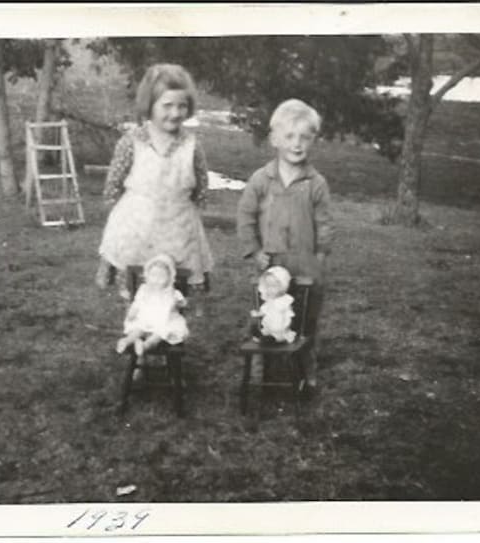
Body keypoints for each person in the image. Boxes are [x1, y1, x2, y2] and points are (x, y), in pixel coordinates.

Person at [237, 98, 334, 398]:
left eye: (305, 137)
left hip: (305, 265)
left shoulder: (315, 183)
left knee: (305, 319)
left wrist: (318, 259)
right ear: (275, 139)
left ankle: (307, 370)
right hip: (272, 265)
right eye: (290, 136)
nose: (297, 144)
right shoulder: (261, 180)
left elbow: (325, 224)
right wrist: (254, 252)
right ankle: (262, 369)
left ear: (313, 141)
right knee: (267, 316)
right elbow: (245, 216)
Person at [95, 63, 213, 302]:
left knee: (174, 292)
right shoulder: (131, 142)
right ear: (150, 105)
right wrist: (125, 218)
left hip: (178, 231)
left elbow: (200, 187)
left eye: (182, 106)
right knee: (138, 291)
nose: (175, 113)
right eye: (167, 105)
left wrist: (183, 209)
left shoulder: (191, 145)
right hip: (137, 230)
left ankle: (170, 332)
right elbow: (113, 186)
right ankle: (137, 330)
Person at [116, 254, 189, 358]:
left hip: (165, 321)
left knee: (160, 333)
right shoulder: (144, 290)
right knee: (138, 329)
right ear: (147, 276)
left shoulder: (172, 292)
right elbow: (137, 302)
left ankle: (146, 345)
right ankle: (127, 341)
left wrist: (178, 303)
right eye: (153, 276)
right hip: (145, 318)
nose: (156, 280)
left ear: (169, 278)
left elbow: (183, 303)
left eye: (161, 276)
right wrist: (132, 311)